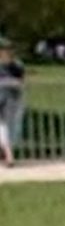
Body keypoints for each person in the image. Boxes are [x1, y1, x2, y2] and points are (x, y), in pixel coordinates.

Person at [0, 39, 25, 168]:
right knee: (3, 127)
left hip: (12, 100)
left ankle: (8, 154)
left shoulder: (17, 65)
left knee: (10, 128)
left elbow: (21, 82)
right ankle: (9, 155)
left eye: (8, 50)